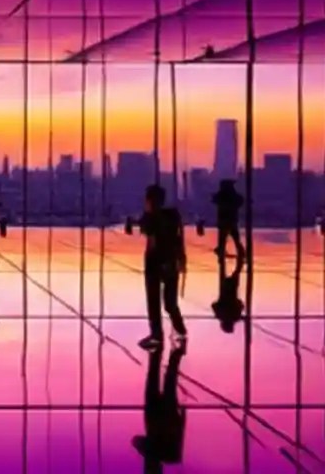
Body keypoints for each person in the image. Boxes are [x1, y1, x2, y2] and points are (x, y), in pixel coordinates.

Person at [136, 184, 187, 350]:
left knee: (155, 300)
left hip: (156, 261)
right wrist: (181, 258)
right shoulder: (172, 216)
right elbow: (179, 239)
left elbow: (147, 231)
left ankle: (158, 333)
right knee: (169, 301)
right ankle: (179, 328)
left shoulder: (153, 217)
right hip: (169, 260)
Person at [132, 345, 187, 472]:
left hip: (165, 417)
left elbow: (179, 434)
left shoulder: (170, 456)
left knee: (167, 381)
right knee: (158, 380)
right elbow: (137, 441)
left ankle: (173, 352)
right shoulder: (163, 455)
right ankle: (160, 351)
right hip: (159, 417)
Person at [211, 248, 245, 334]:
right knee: (225, 271)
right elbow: (214, 305)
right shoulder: (220, 315)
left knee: (236, 273)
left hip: (231, 291)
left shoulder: (235, 317)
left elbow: (241, 304)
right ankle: (239, 256)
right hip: (225, 290)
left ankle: (240, 257)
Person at [211, 179, 245, 259]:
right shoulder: (232, 195)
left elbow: (215, 200)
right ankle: (240, 253)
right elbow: (240, 201)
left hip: (225, 221)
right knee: (234, 238)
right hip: (231, 221)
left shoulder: (224, 195)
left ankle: (223, 251)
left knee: (225, 238)